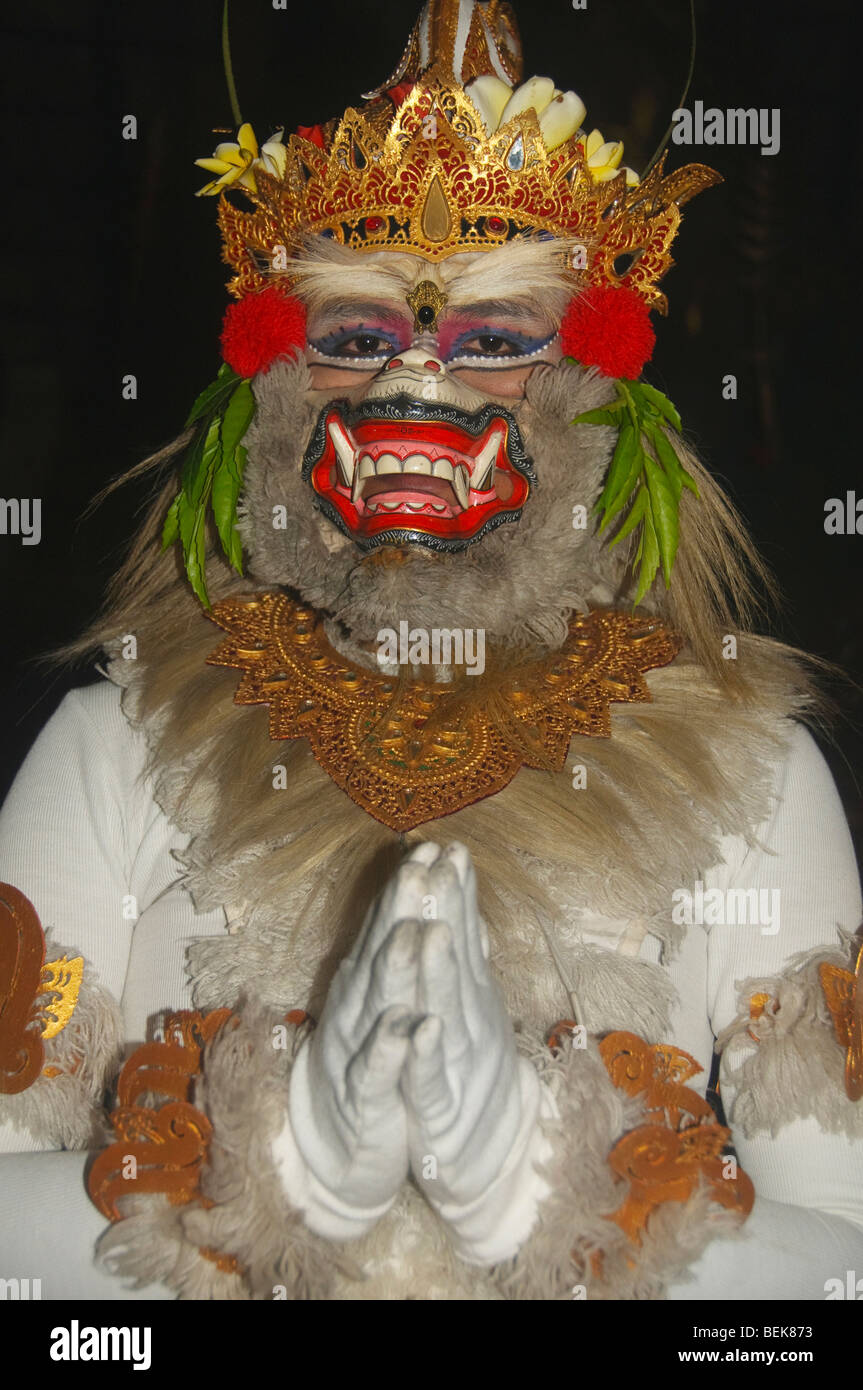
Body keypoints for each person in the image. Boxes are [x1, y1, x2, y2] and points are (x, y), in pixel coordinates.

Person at [1, 0, 860, 1301]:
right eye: (353, 337)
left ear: (595, 380)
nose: (415, 383)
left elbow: (839, 1275)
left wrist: (539, 1190)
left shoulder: (748, 771)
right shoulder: (121, 746)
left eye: (495, 342)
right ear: (275, 373)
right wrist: (277, 1182)